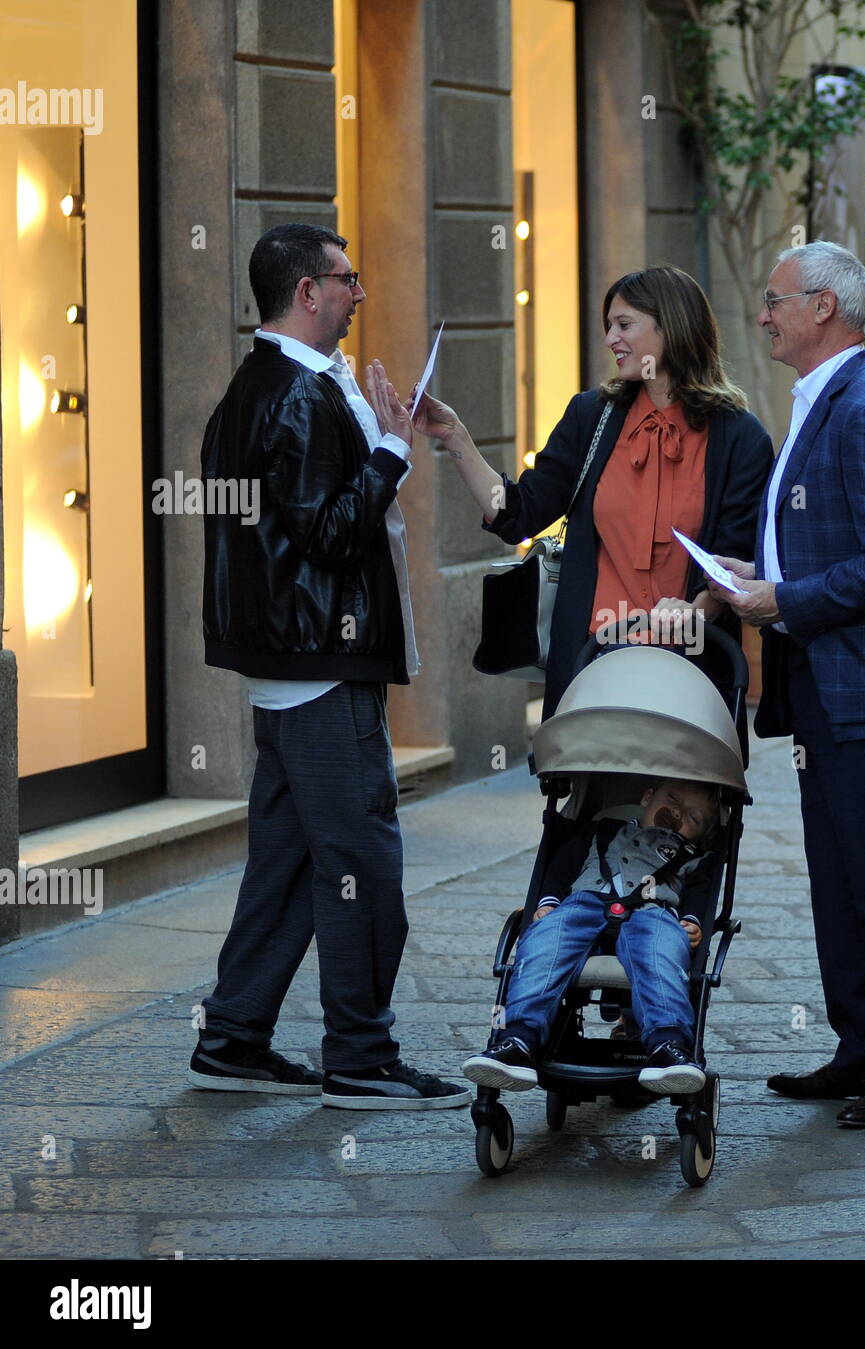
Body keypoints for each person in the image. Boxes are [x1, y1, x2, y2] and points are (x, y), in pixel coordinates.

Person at [194, 223, 469, 1110]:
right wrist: (391, 451)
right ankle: (361, 1055)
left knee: (287, 862)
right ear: (309, 292)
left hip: (287, 666)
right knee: (361, 862)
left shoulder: (260, 382)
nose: (360, 293)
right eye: (348, 279)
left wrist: (379, 434)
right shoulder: (298, 394)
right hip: (321, 664)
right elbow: (331, 533)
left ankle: (233, 1035)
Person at [709, 240, 865, 1129]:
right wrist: (756, 573)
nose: (763, 315)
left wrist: (785, 598)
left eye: (775, 301)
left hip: (860, 691)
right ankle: (862, 1046)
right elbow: (831, 543)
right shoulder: (826, 401)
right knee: (836, 877)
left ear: (823, 308)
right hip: (823, 685)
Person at [407, 266, 772, 718]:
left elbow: (733, 554)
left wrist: (695, 613)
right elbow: (518, 513)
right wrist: (456, 437)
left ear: (670, 326)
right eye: (608, 326)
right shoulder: (592, 416)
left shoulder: (740, 436)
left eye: (624, 324)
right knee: (596, 786)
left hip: (692, 667)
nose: (610, 339)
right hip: (591, 661)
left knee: (675, 790)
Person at [462, 778, 719, 1094]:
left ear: (706, 834)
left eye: (693, 818)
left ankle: (668, 1043)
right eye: (672, 798)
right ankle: (518, 1037)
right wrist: (549, 901)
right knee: (546, 941)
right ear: (647, 796)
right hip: (585, 900)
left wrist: (692, 920)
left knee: (661, 953)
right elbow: (562, 865)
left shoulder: (694, 855)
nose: (677, 813)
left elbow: (699, 893)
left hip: (654, 910)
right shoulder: (605, 828)